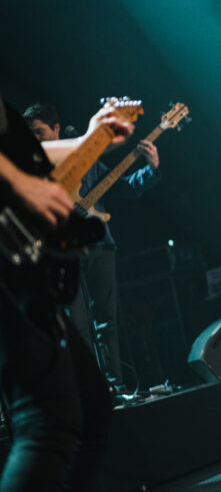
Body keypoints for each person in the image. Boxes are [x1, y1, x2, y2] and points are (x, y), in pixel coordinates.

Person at [0, 98, 134, 490]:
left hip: (21, 271)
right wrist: (23, 183)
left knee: (91, 409)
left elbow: (25, 156)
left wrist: (92, 140)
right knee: (48, 420)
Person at [24, 102, 161, 389]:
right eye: (31, 134)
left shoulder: (84, 157)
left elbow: (121, 187)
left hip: (99, 247)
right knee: (78, 326)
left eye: (40, 132)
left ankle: (118, 389)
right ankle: (92, 392)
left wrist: (150, 169)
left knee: (107, 322)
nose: (35, 140)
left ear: (57, 128)